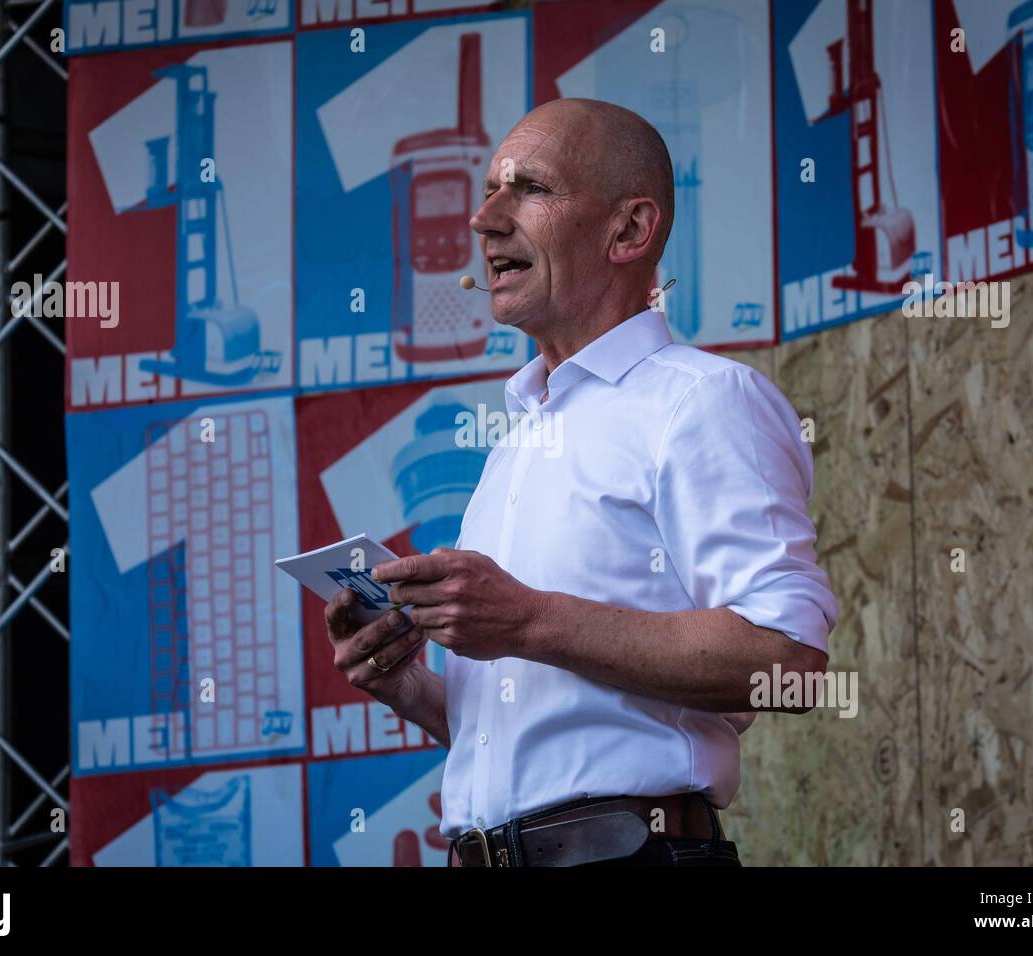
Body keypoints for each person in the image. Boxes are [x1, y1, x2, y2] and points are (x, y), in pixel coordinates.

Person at [324, 98, 838, 867]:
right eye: (491, 187)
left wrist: (529, 619)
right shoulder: (516, 445)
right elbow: (542, 732)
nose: (483, 219)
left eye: (528, 188)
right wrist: (410, 689)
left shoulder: (700, 400)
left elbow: (788, 664)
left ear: (629, 230)